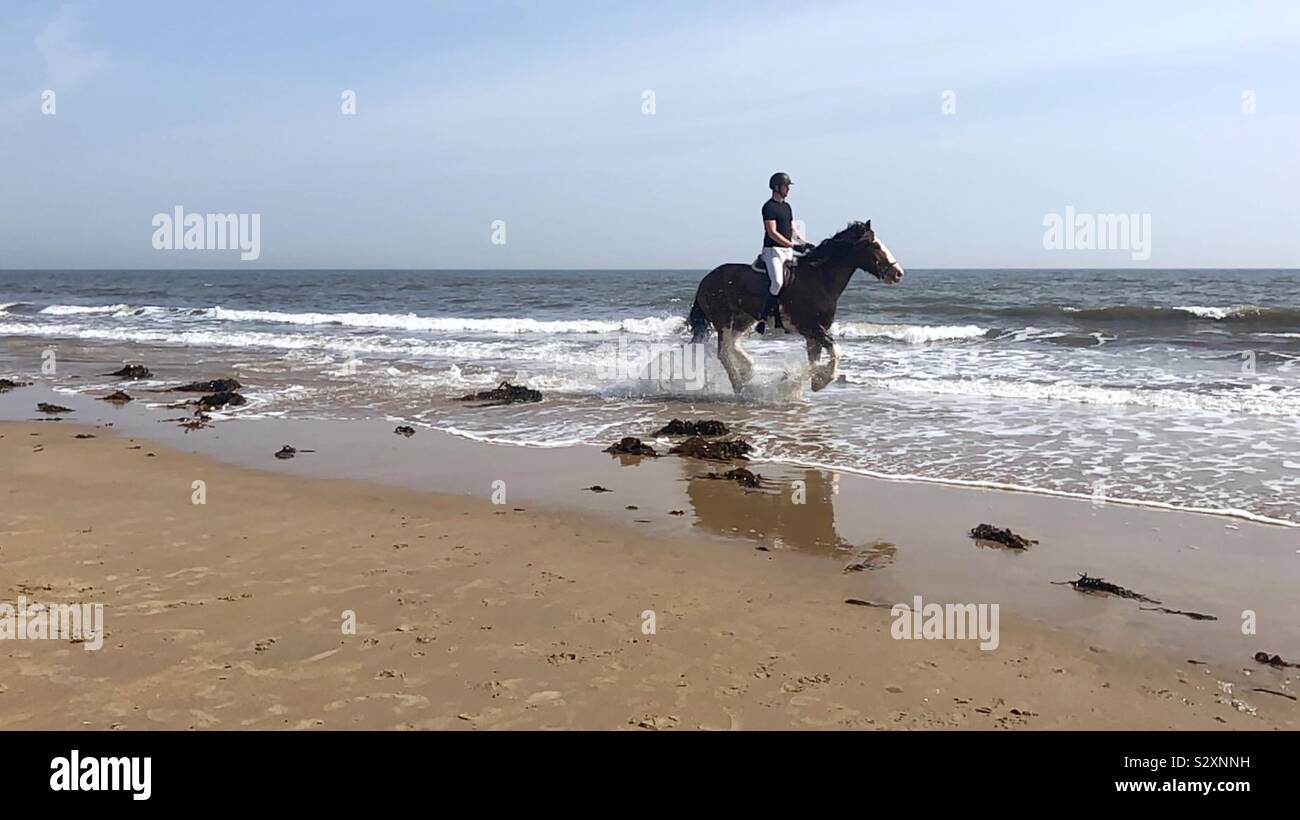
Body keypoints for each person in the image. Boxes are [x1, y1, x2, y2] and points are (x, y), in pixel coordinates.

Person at [758, 172, 813, 333]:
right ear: (777, 187)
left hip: (787, 250)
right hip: (773, 251)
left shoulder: (787, 207)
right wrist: (792, 246)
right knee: (778, 282)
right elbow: (772, 232)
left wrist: (804, 242)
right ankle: (763, 318)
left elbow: (792, 229)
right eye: (786, 186)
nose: (788, 189)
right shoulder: (768, 207)